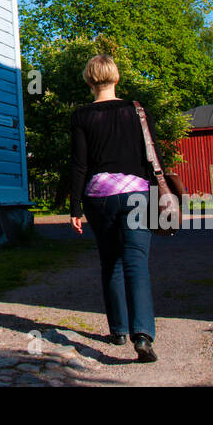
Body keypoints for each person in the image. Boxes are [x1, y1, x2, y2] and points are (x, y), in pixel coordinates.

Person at [69, 54, 159, 362]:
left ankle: (119, 330)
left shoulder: (81, 116)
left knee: (111, 262)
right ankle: (143, 336)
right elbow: (153, 156)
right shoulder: (137, 111)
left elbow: (79, 164)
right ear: (116, 78)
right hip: (137, 194)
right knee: (136, 262)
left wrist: (74, 207)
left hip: (100, 196)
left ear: (89, 80)